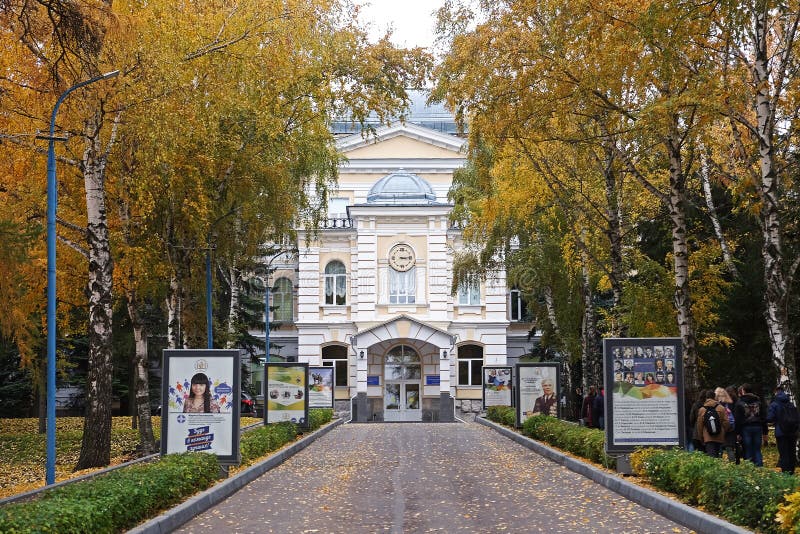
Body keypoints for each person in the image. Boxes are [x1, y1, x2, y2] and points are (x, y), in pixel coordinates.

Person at [734, 383, 768, 466]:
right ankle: (759, 467)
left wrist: (737, 432)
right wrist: (765, 431)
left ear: (743, 390)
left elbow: (737, 419)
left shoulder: (740, 402)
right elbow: (763, 416)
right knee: (757, 449)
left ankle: (750, 469)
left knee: (748, 448)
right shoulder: (758, 401)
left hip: (746, 428)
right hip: (758, 427)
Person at [767, 386, 798, 473]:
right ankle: (792, 471)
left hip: (781, 432)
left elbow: (770, 418)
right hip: (792, 432)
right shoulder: (791, 403)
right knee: (791, 452)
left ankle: (786, 473)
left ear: (775, 392)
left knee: (784, 453)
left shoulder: (775, 404)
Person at [696, 389, 732, 457]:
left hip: (707, 438)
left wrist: (701, 437)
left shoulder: (702, 409)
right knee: (718, 457)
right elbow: (727, 422)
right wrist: (722, 430)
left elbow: (699, 425)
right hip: (719, 437)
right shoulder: (721, 408)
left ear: (706, 397)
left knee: (711, 457)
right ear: (715, 397)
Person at [715, 387, 737, 462]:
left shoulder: (719, 404)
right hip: (731, 428)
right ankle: (733, 465)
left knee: (720, 448)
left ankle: (719, 465)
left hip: (722, 427)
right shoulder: (732, 402)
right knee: (729, 448)